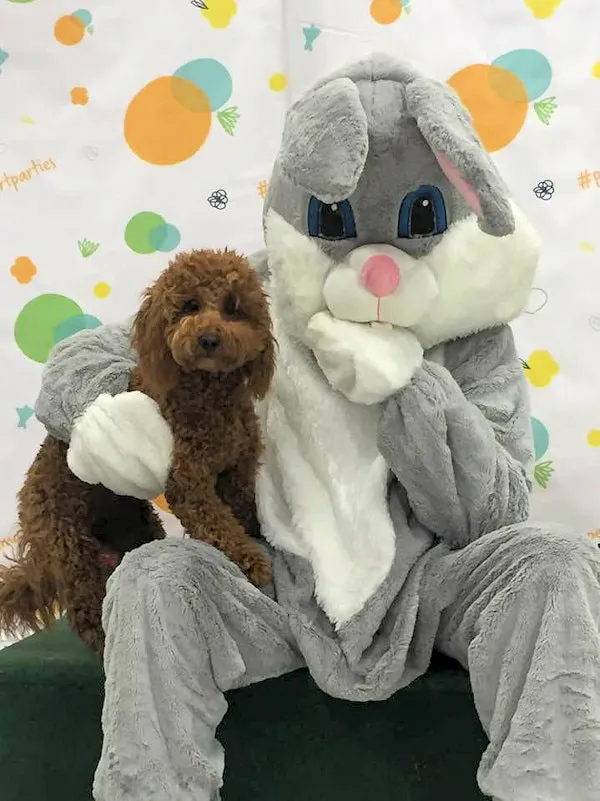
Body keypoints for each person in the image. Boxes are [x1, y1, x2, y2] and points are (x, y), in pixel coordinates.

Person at [35, 54, 600, 801]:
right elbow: (83, 359)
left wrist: (412, 388)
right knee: (155, 574)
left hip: (427, 586)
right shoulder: (250, 296)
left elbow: (494, 514)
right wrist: (107, 412)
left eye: (414, 222)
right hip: (269, 581)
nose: (375, 263)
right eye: (336, 222)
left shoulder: (469, 333)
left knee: (553, 559)